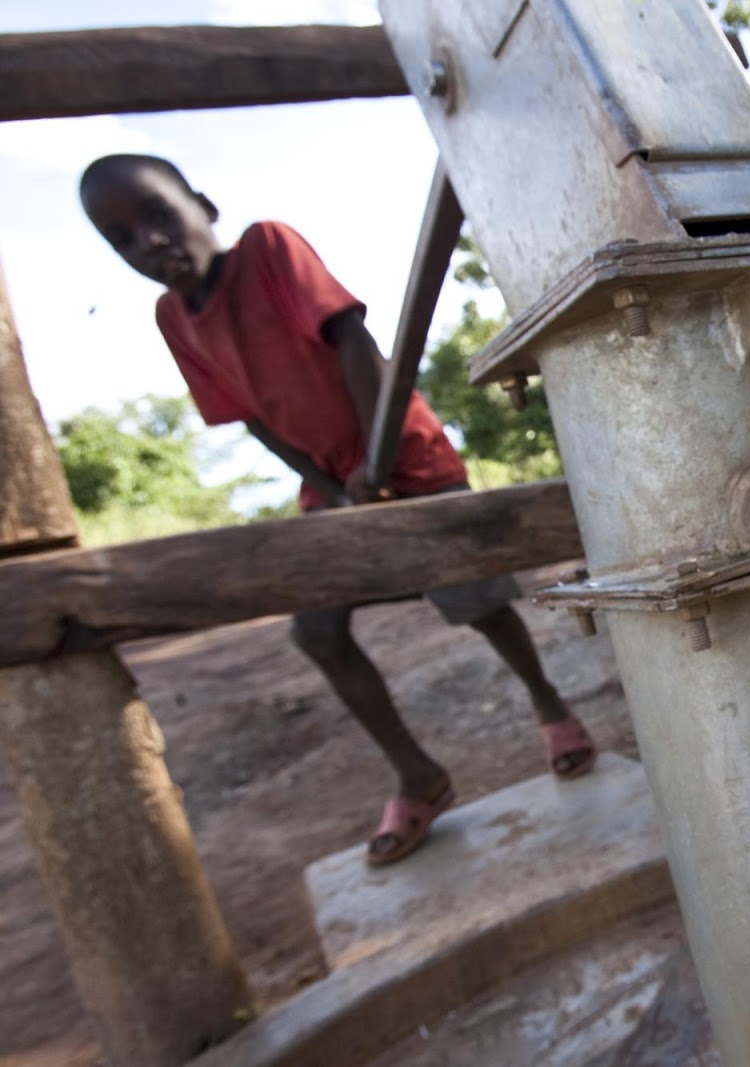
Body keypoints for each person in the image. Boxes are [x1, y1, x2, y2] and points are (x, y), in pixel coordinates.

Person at [79, 154, 598, 866]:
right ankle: (419, 773)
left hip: (405, 459)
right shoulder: (173, 318)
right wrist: (327, 482)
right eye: (124, 239)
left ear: (203, 204)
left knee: (477, 603)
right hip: (332, 485)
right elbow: (248, 418)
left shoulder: (267, 247)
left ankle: (550, 705)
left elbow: (356, 344)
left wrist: (375, 465)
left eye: (160, 215)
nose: (151, 243)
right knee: (317, 631)